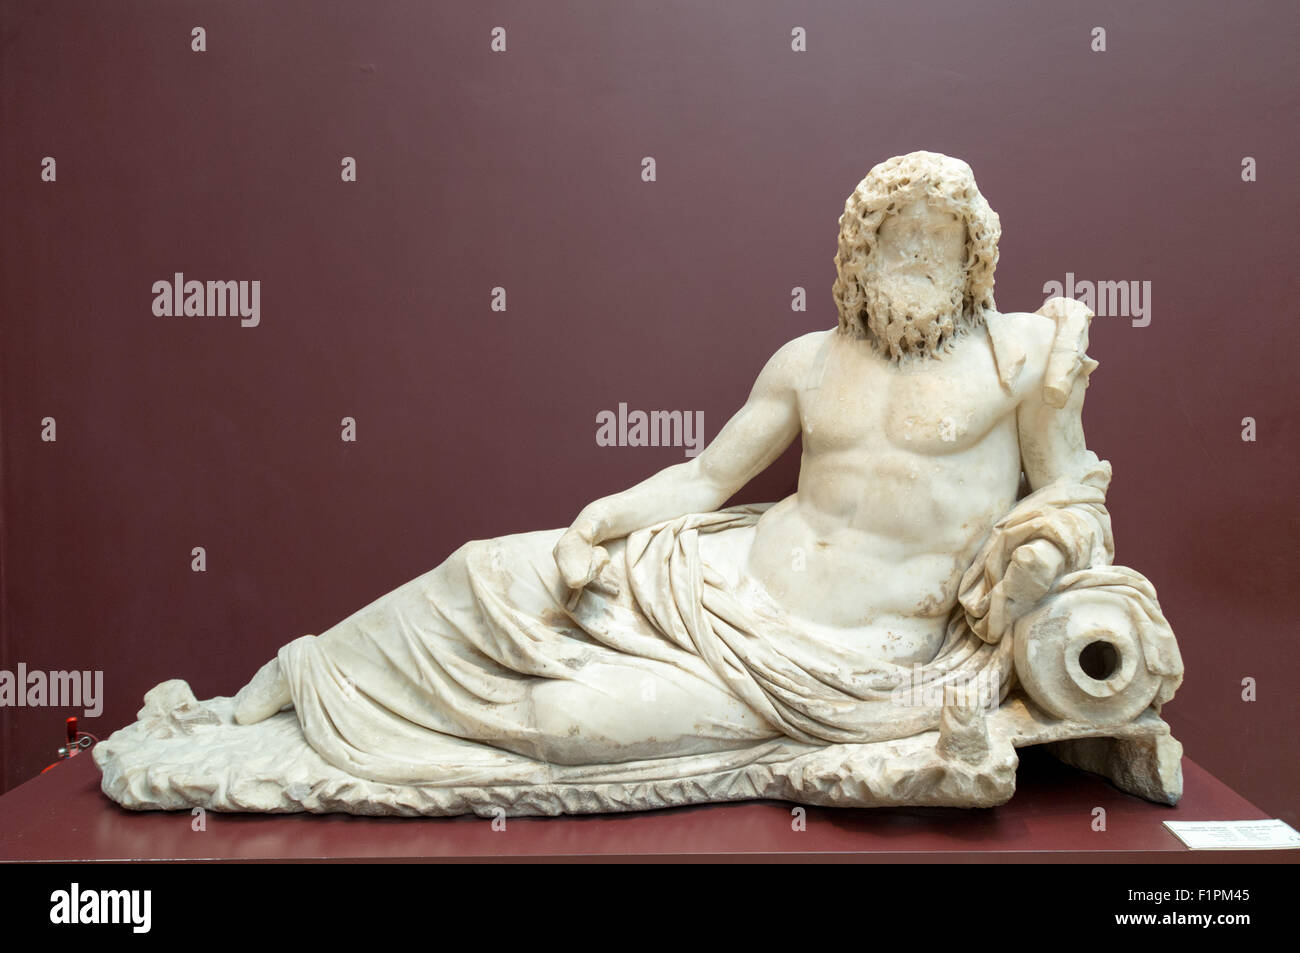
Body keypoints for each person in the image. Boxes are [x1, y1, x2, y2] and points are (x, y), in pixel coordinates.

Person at [229, 151, 1117, 785]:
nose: (921, 255)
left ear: (974, 256)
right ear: (861, 252)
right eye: (902, 237)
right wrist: (598, 521)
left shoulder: (1023, 358)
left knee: (566, 725)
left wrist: (1039, 563)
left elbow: (1074, 499)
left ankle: (378, 727)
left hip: (841, 657)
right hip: (708, 575)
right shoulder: (808, 359)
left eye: (941, 238)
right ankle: (313, 673)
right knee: (489, 568)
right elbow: (703, 478)